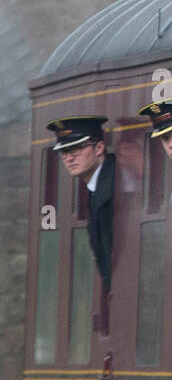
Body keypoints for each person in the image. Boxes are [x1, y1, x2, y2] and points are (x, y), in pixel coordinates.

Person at [49, 115, 115, 291]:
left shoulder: (114, 186)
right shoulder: (97, 187)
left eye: (76, 149)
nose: (69, 158)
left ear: (99, 147)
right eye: (64, 152)